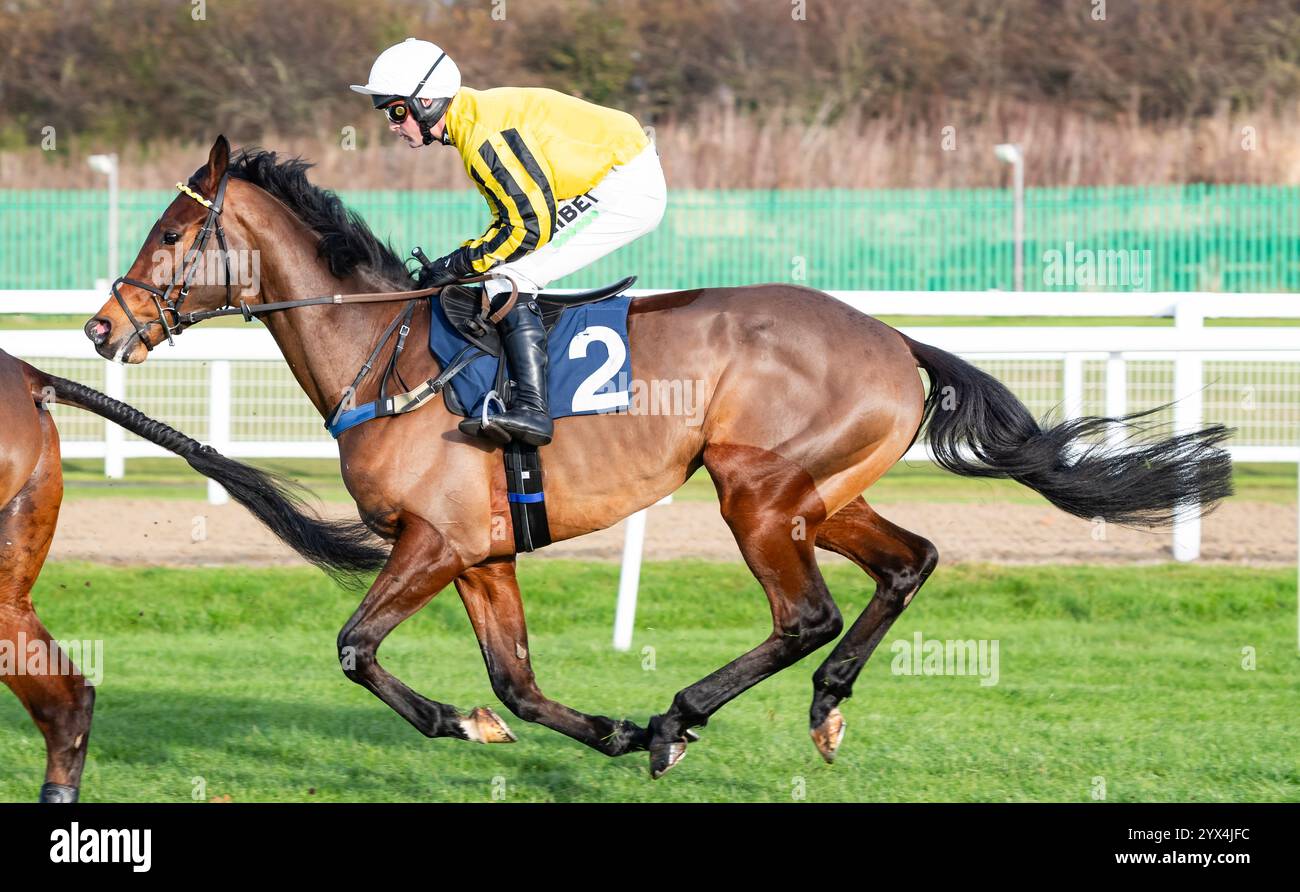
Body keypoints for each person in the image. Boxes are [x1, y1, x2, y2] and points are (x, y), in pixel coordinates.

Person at [351, 38, 668, 447]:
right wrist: (463, 260)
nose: (393, 125)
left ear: (427, 101)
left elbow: (529, 228)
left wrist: (457, 264)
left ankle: (533, 410)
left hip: (624, 184)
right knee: (500, 271)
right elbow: (512, 221)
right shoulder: (472, 121)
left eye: (396, 111)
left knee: (508, 280)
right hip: (611, 174)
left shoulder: (482, 136)